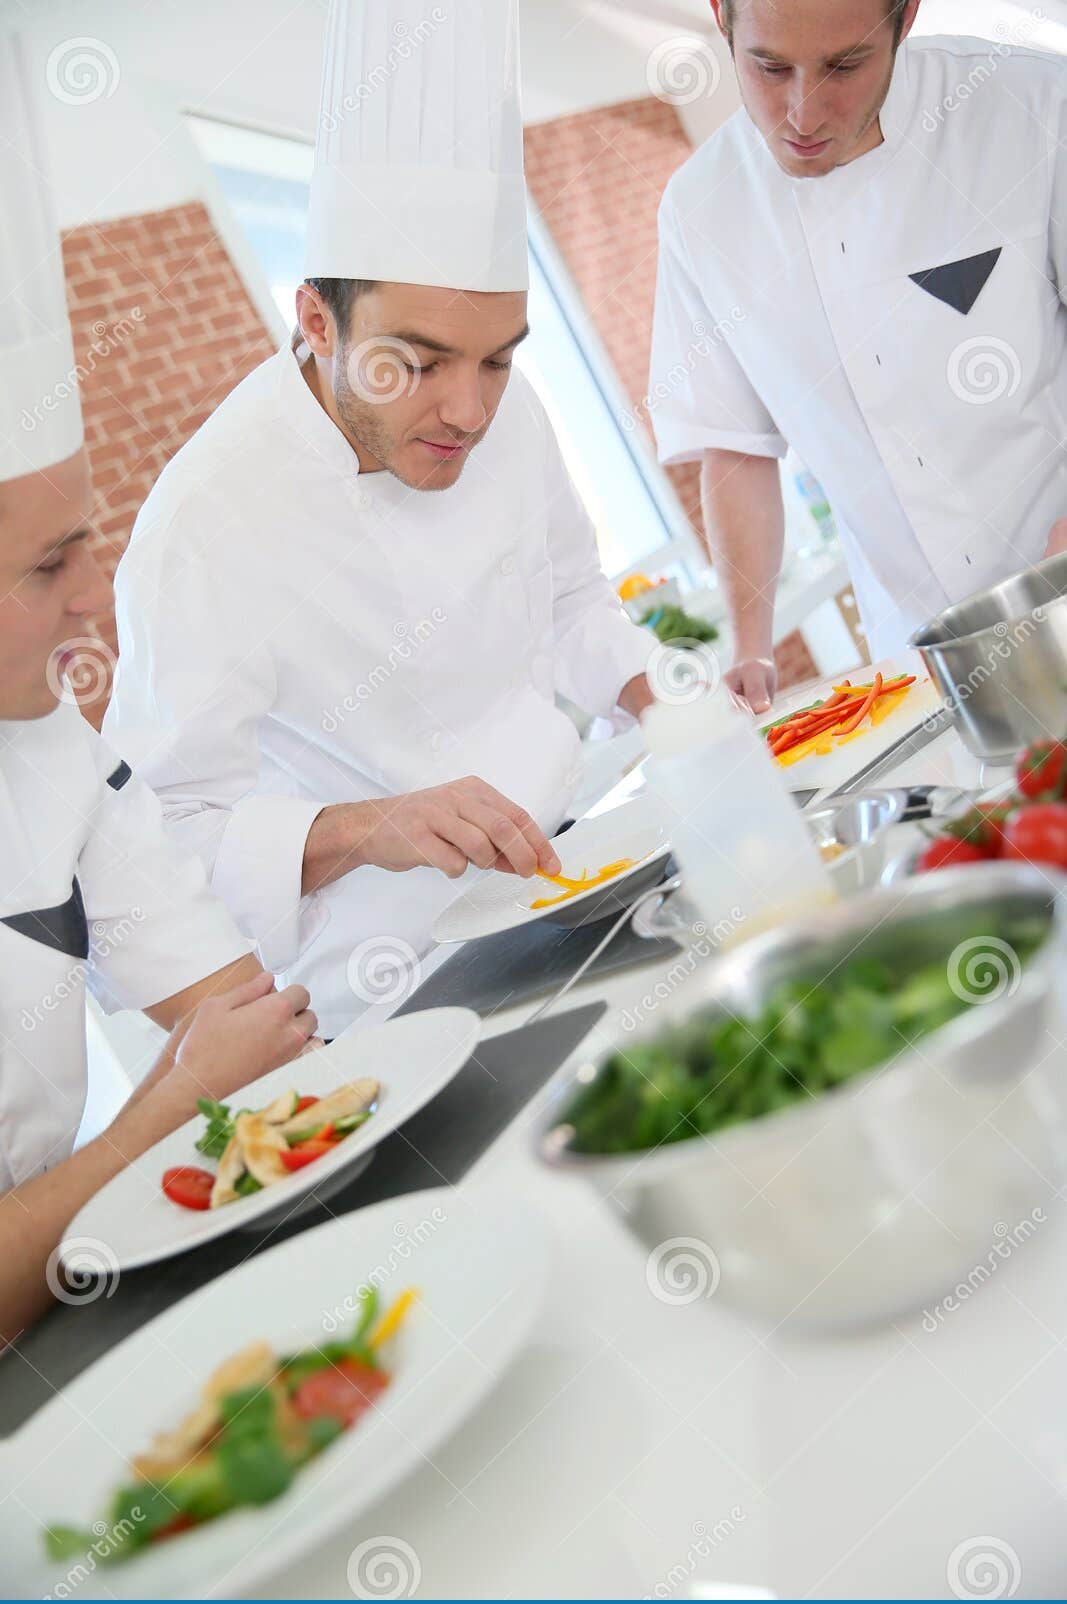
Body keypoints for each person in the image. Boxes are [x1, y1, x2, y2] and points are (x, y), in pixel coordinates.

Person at [104, 0, 658, 1037]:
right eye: (417, 359)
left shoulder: (504, 405)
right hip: (393, 989)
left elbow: (576, 599)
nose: (470, 409)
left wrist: (666, 702)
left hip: (568, 865)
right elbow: (163, 847)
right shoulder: (206, 523)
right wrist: (367, 828)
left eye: (498, 357)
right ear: (314, 319)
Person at [0, 37, 316, 1342]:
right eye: (48, 562)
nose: (93, 595)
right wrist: (166, 1111)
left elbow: (233, 1015)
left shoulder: (45, 734)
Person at [649, 0, 1067, 711]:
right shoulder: (701, 209)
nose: (803, 114)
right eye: (768, 67)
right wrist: (750, 647)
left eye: (844, 65)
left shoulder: (1031, 105)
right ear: (721, 17)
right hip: (919, 658)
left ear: (904, 18)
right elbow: (736, 444)